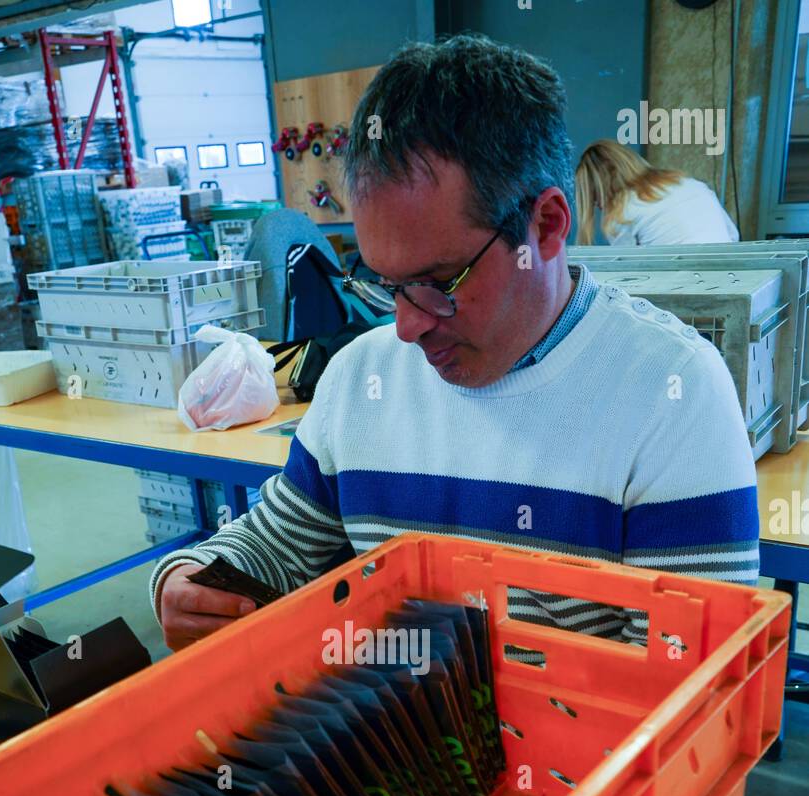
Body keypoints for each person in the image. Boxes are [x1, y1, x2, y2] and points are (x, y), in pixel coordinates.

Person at [153, 35, 758, 652]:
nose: (407, 327)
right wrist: (190, 585)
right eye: (386, 284)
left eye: (439, 282)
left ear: (546, 226)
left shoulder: (674, 393)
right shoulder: (359, 376)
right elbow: (277, 543)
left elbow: (688, 685)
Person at [575, 139, 739, 245]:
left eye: (595, 198)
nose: (598, 206)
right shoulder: (693, 185)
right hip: (727, 278)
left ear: (602, 189)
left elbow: (624, 274)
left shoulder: (621, 213)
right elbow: (733, 236)